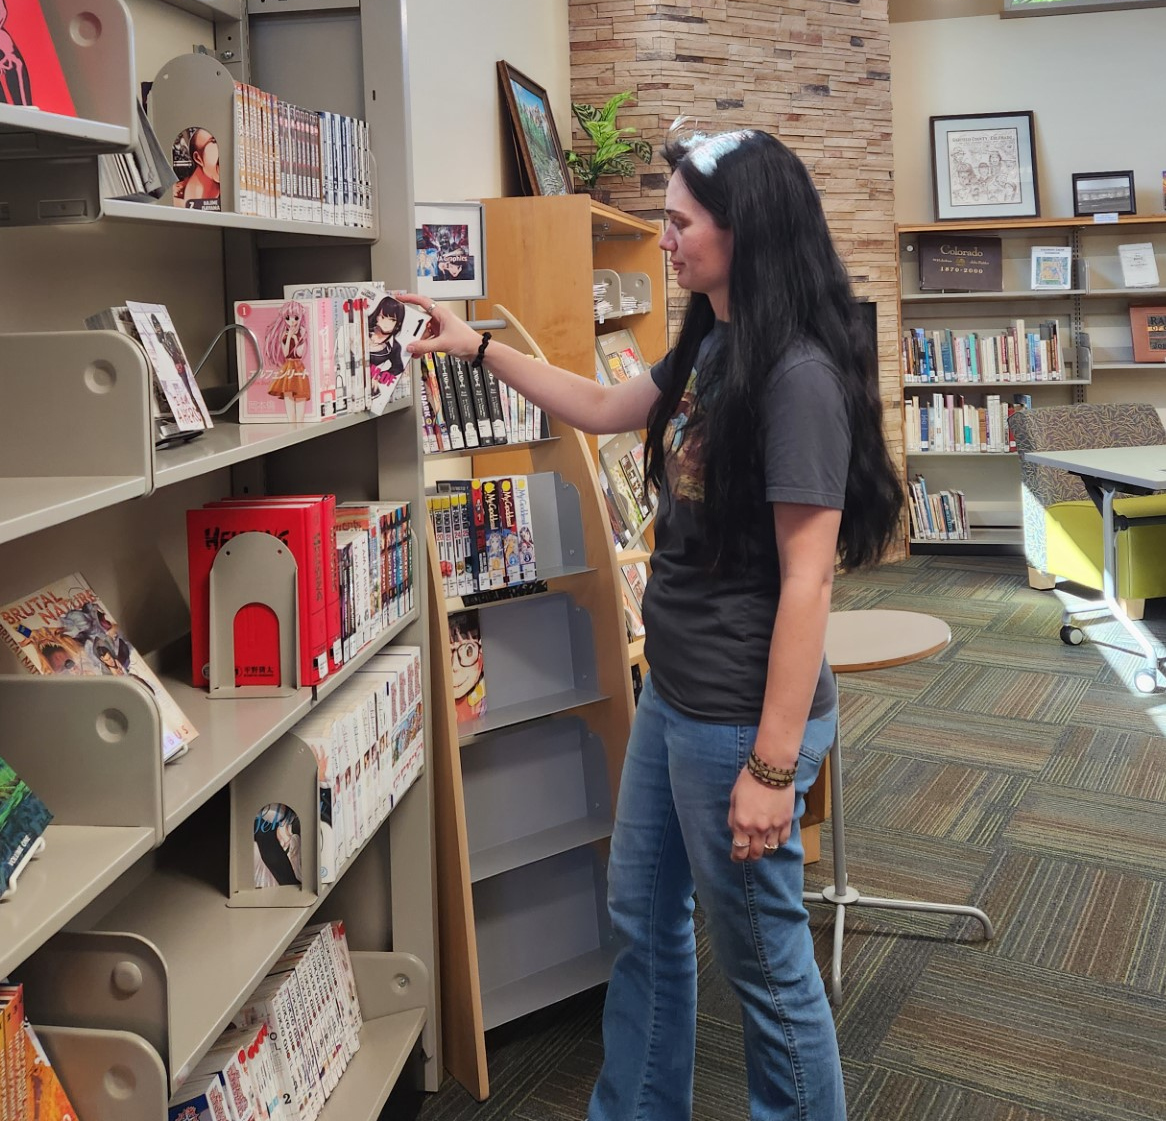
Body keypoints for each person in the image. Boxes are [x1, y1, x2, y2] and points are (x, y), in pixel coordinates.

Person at [402, 125, 902, 1121]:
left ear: (742, 232)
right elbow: (597, 402)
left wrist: (769, 769)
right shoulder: (715, 341)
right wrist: (478, 347)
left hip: (737, 716)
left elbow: (807, 580)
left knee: (764, 965)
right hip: (675, 696)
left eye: (677, 221)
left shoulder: (795, 374)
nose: (662, 237)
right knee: (641, 918)